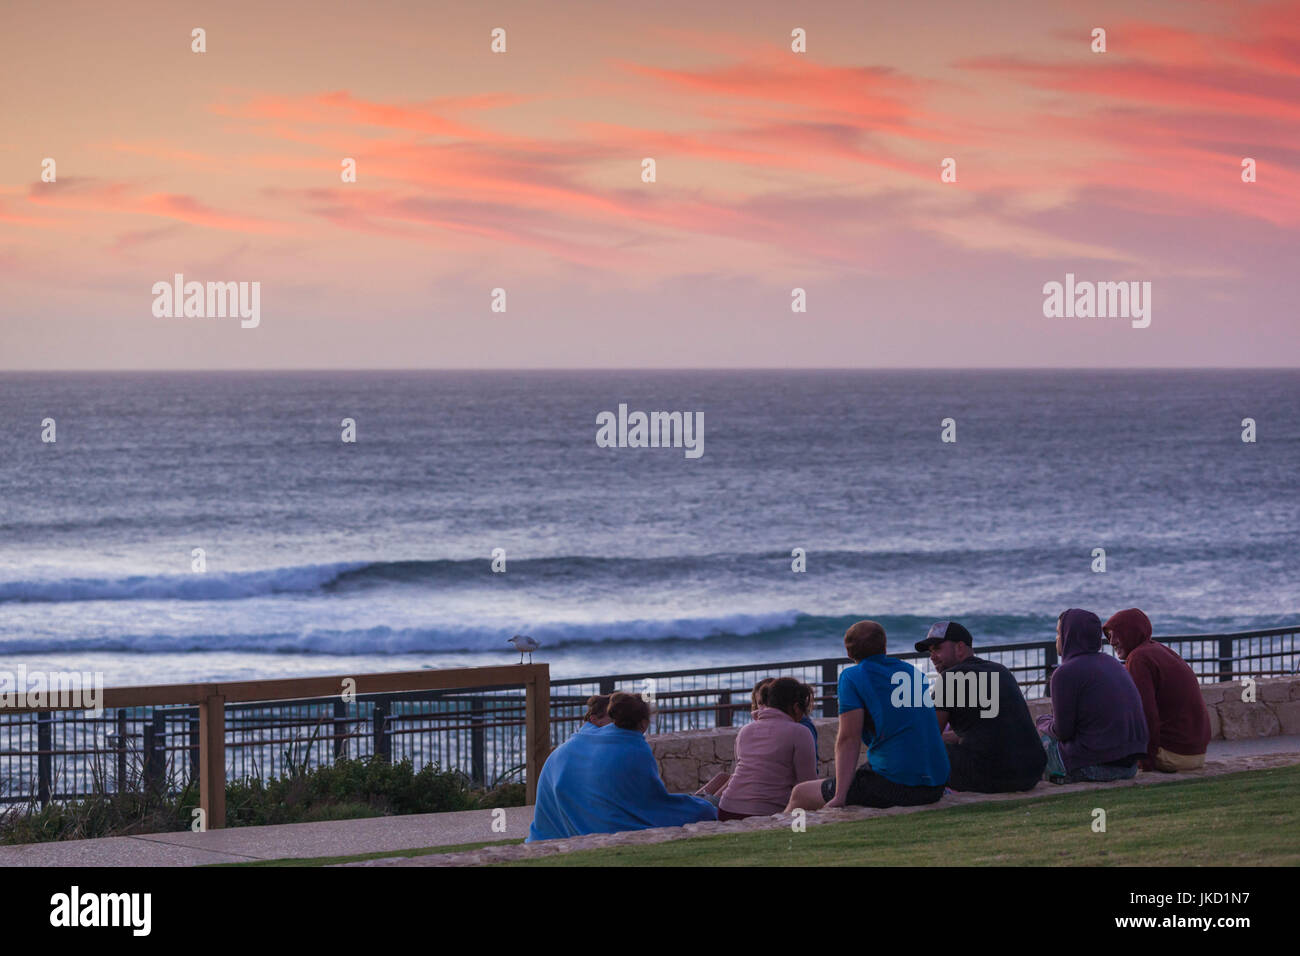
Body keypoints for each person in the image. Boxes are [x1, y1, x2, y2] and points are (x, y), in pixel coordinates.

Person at [785, 620, 949, 812]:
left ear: (848, 653)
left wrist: (840, 796)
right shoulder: (912, 672)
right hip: (936, 784)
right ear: (885, 647)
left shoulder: (852, 677)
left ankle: (784, 837)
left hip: (898, 786)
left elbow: (848, 738)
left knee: (800, 794)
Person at [527, 692, 717, 842]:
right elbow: (652, 802)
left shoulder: (568, 748)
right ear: (642, 724)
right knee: (708, 806)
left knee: (717, 786)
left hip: (550, 833)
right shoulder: (631, 747)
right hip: (610, 828)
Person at [916, 620, 1045, 792]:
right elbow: (988, 730)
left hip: (990, 775)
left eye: (937, 649)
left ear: (960, 647)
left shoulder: (950, 678)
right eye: (930, 652)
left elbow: (928, 737)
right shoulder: (1001, 671)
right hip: (1030, 773)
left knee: (922, 750)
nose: (932, 657)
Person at [1036, 609, 1148, 783]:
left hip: (1093, 766)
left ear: (1069, 635)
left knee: (1040, 739)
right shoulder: (1112, 663)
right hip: (1129, 767)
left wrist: (1042, 723)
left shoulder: (1064, 673)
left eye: (1059, 633)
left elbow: (1062, 732)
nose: (1056, 639)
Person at [1103, 608, 1211, 772]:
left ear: (1131, 632)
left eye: (1116, 635)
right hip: (1196, 754)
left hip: (1172, 755)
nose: (1111, 642)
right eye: (1109, 636)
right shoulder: (1159, 650)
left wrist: (1146, 762)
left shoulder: (1138, 659)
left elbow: (1146, 715)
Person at [713, 677, 818, 819]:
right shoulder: (800, 732)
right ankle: (800, 834)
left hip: (727, 809)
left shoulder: (745, 730)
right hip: (766, 811)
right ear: (795, 707)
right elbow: (807, 785)